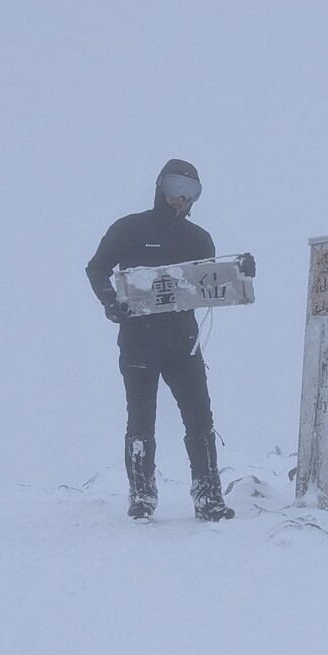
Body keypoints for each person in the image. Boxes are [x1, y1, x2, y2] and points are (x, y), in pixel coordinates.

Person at [85, 159, 256, 521]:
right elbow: (96, 267)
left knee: (199, 419)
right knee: (140, 419)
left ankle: (208, 497)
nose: (181, 198)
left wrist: (240, 274)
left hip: (184, 345)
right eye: (176, 187)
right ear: (160, 186)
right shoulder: (128, 229)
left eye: (191, 192)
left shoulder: (199, 238)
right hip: (138, 343)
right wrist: (110, 301)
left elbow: (211, 284)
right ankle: (142, 496)